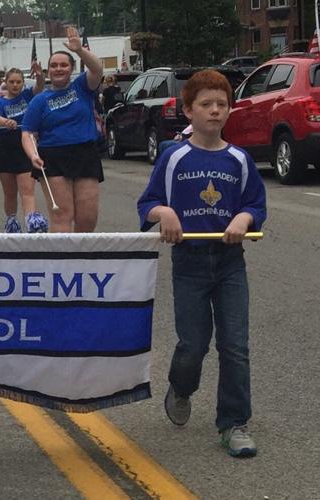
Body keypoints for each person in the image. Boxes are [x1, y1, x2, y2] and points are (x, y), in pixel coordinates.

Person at [137, 69, 267, 458]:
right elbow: (148, 203)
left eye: (221, 104)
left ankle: (234, 423)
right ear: (188, 110)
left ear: (229, 110)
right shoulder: (173, 157)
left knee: (235, 345)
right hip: (189, 261)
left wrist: (244, 219)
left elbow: (255, 204)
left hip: (229, 262)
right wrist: (164, 213)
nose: (214, 111)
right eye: (206, 104)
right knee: (193, 344)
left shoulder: (239, 159)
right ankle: (181, 387)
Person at [21, 26, 105, 233]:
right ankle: (60, 254)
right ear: (48, 70)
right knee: (62, 216)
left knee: (87, 218)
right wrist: (33, 155)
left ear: (72, 68)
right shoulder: (39, 101)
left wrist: (79, 50)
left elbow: (97, 69)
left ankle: (81, 254)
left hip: (85, 153)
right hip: (53, 156)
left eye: (64, 65)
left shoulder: (82, 87)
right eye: (54, 65)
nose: (59, 69)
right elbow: (27, 133)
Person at [0, 64, 48, 233]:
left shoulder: (27, 95)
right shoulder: (0, 101)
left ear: (23, 83)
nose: (15, 85)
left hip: (25, 145)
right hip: (5, 147)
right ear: (6, 83)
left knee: (27, 191)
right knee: (9, 193)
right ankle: (12, 223)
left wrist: (40, 76)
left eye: (18, 82)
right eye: (12, 82)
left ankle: (32, 223)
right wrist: (6, 122)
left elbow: (39, 87)